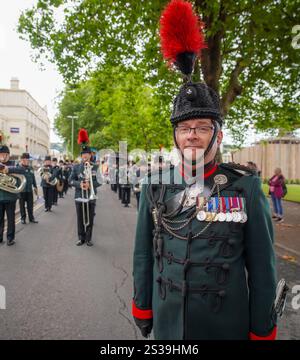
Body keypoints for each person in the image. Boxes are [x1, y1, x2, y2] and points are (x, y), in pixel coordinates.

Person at [132, 0, 278, 340]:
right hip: (168, 321)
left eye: (201, 126)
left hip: (225, 325)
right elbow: (143, 255)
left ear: (218, 134)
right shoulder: (154, 185)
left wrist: (262, 328)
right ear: (176, 136)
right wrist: (143, 306)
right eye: (184, 128)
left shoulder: (246, 187)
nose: (192, 135)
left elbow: (262, 268)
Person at [69, 129, 101, 246]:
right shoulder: (76, 167)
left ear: (90, 155)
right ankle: (81, 238)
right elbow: (70, 180)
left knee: (90, 218)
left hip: (91, 196)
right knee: (80, 218)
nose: (85, 156)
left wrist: (91, 184)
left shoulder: (95, 167)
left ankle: (88, 238)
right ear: (81, 156)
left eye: (87, 154)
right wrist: (80, 184)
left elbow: (100, 181)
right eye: (83, 154)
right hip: (79, 196)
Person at [0, 143, 26, 245]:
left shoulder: (14, 163)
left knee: (11, 219)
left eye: (4, 154)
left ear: (8, 155)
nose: (1, 156)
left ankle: (10, 238)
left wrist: (9, 170)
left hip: (11, 197)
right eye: (0, 154)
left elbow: (22, 170)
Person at [18, 152, 38, 224]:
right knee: (22, 206)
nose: (27, 161)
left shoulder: (30, 168)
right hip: (21, 190)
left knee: (30, 205)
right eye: (25, 159)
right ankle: (23, 218)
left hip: (29, 190)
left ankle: (31, 218)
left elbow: (33, 178)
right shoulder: (18, 168)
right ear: (22, 160)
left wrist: (35, 186)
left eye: (28, 159)